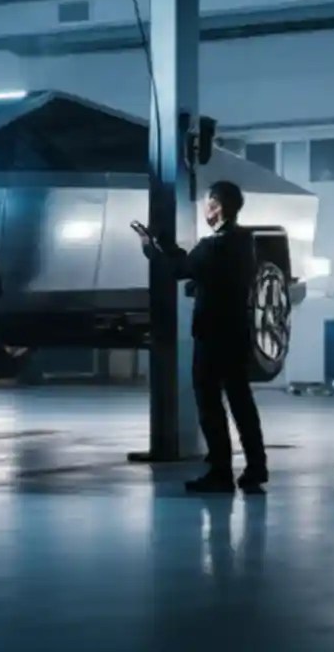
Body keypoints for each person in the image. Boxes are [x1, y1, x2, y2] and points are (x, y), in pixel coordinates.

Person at [132, 180, 268, 493]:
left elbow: (180, 270)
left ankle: (220, 471)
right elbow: (195, 266)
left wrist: (150, 248)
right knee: (241, 402)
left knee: (209, 404)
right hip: (237, 332)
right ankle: (256, 467)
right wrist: (170, 249)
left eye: (208, 204)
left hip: (211, 335)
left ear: (217, 207)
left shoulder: (213, 245)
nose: (205, 210)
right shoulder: (244, 242)